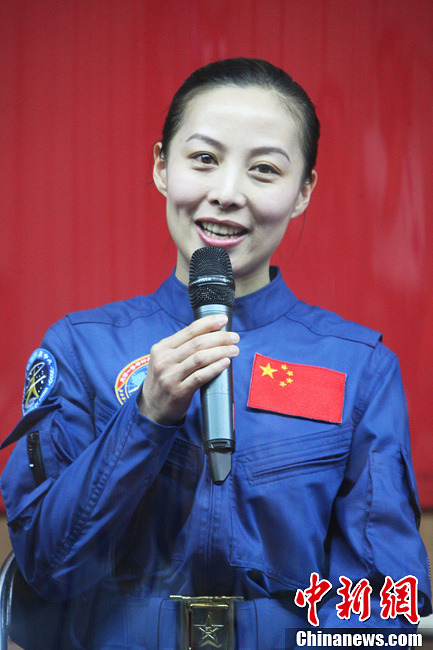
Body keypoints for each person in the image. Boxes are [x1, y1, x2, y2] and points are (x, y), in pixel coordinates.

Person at [1, 58, 431, 650]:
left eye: (265, 169)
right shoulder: (80, 347)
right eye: (203, 159)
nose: (227, 194)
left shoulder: (359, 366)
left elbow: (382, 601)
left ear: (303, 191)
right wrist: (146, 416)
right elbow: (47, 567)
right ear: (162, 166)